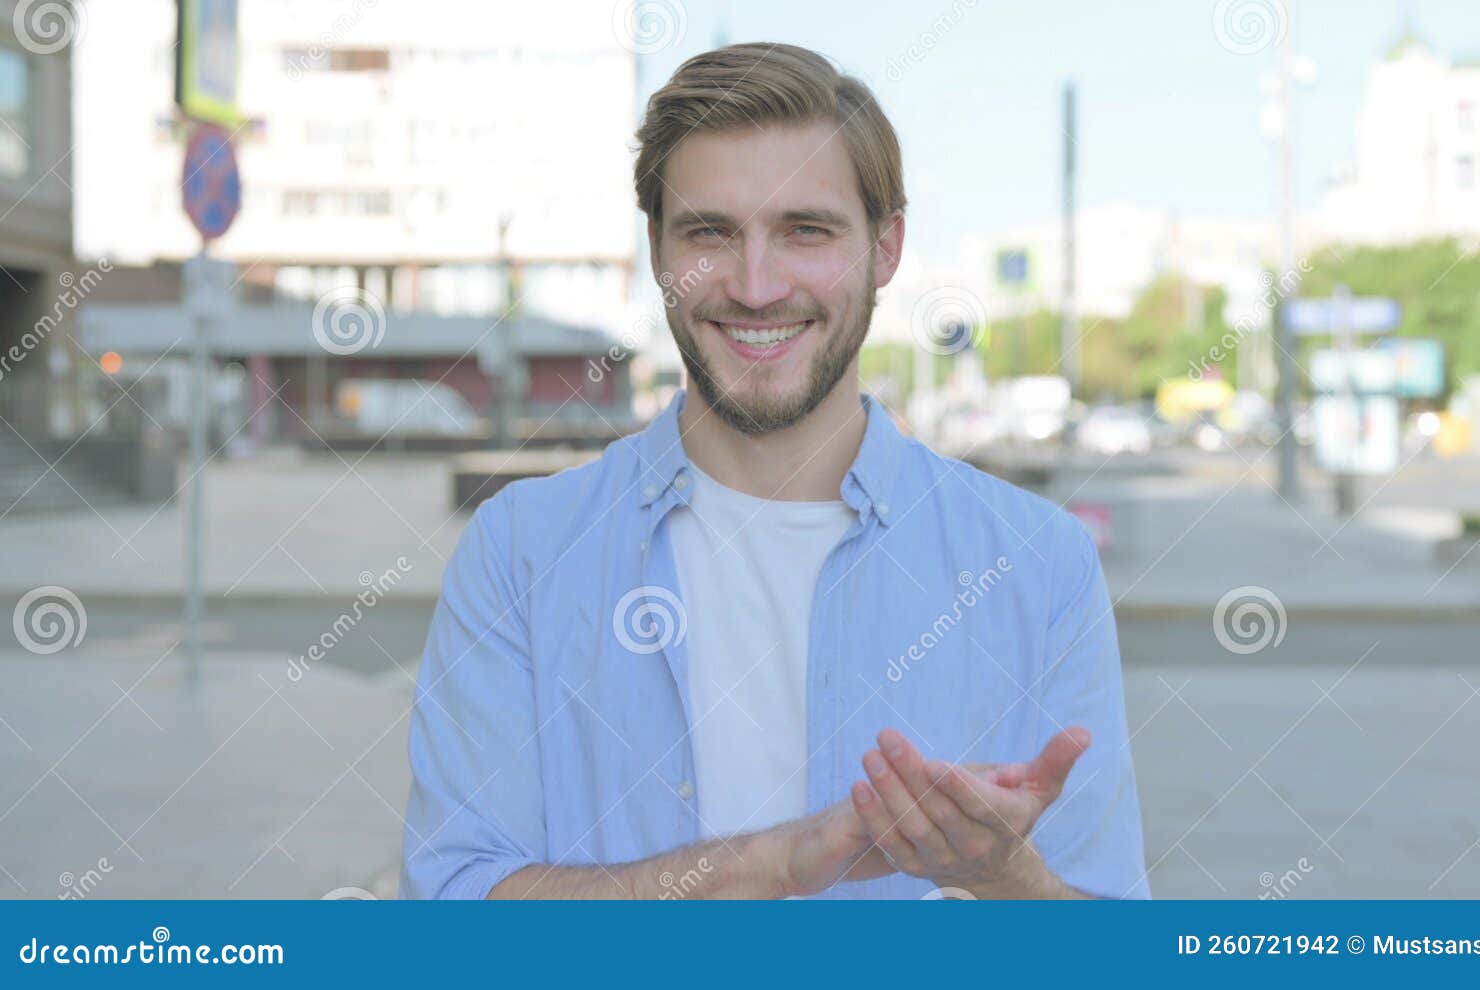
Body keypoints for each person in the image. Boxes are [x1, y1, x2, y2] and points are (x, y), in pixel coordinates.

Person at [400, 42, 1148, 900]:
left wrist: (1007, 877)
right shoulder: (520, 553)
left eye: (806, 231)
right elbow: (454, 910)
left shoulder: (1037, 561)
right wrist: (773, 866)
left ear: (886, 247)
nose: (757, 287)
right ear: (657, 251)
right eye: (711, 232)